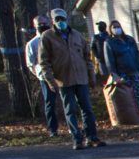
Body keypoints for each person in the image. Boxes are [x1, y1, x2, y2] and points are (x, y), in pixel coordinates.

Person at [38, 8, 105, 150]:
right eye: (57, 20)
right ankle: (77, 139)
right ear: (52, 21)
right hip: (63, 80)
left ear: (66, 19)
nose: (60, 22)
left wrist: (91, 76)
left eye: (62, 19)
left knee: (87, 109)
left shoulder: (77, 35)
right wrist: (51, 81)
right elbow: (44, 62)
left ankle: (92, 137)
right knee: (70, 110)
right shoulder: (47, 36)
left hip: (81, 78)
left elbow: (87, 57)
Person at [25, 15, 61, 138]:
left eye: (44, 23)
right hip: (45, 77)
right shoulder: (32, 44)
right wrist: (40, 75)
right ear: (34, 26)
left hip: (61, 75)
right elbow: (31, 64)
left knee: (67, 102)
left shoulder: (56, 38)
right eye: (39, 24)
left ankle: (72, 127)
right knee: (50, 103)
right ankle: (53, 129)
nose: (42, 25)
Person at [103, 19, 139, 119]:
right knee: (128, 95)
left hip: (134, 70)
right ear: (110, 29)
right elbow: (110, 61)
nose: (116, 29)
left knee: (138, 93)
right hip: (122, 73)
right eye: (114, 27)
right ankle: (133, 115)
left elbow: (137, 55)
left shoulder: (129, 39)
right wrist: (114, 75)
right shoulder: (109, 43)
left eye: (118, 26)